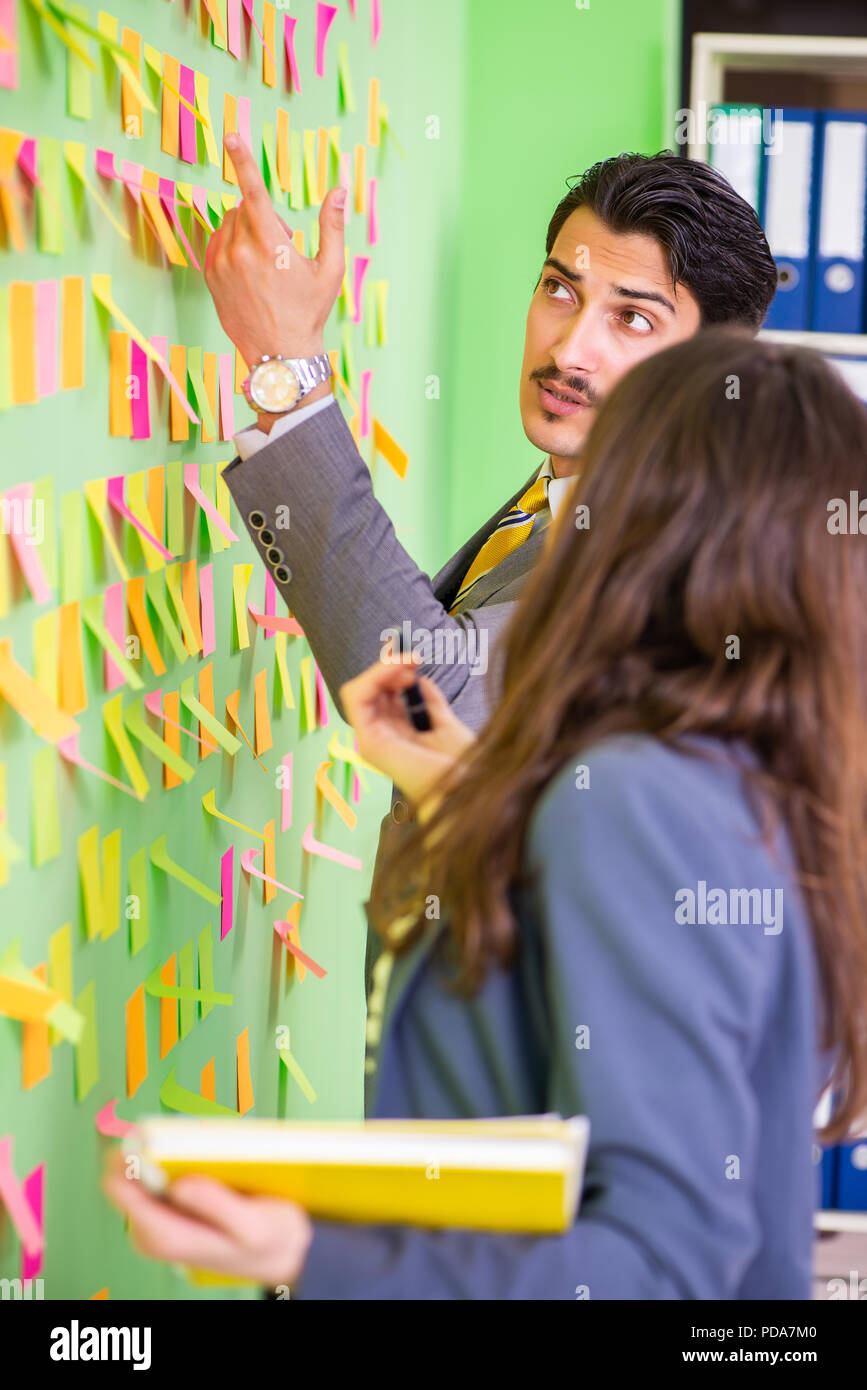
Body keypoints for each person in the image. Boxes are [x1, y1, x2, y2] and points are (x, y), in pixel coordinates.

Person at [103, 330, 867, 1299]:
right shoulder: (756, 785)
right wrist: (471, 800)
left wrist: (313, 1256)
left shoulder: (644, 801)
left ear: (659, 527)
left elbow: (666, 1269)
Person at [204, 133, 779, 1040]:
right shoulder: (576, 486)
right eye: (560, 289)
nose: (571, 350)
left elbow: (434, 695)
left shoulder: (674, 548)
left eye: (632, 319)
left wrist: (287, 373)